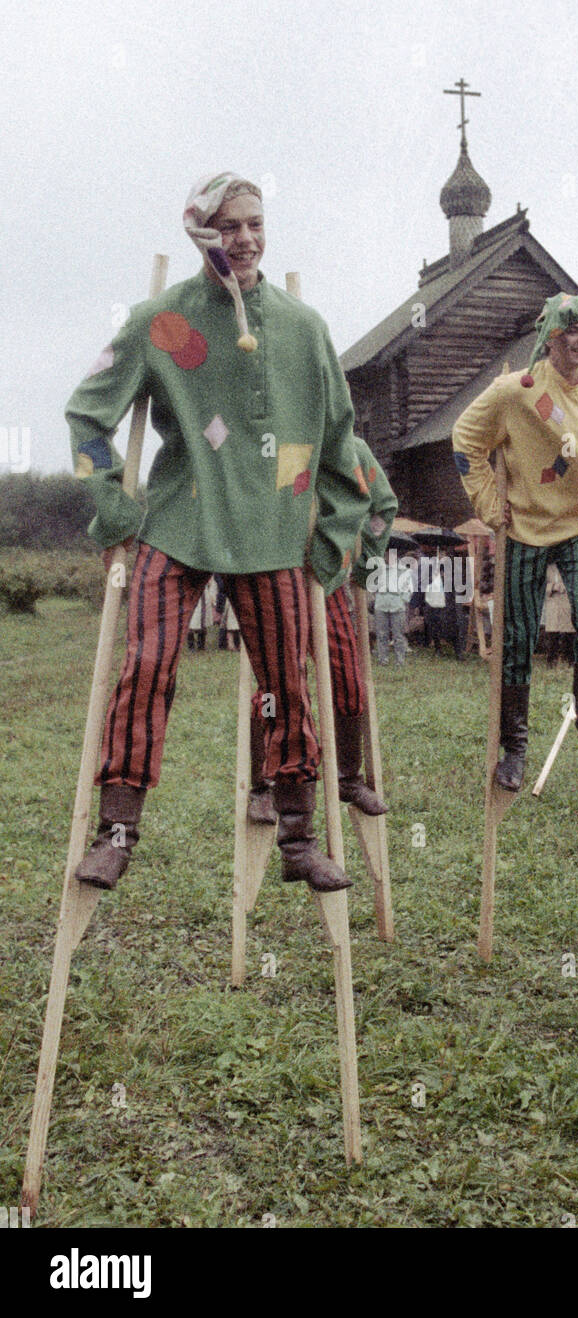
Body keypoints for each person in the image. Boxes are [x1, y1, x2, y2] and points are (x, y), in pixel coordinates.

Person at [66, 171, 371, 893]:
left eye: (255, 224)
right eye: (229, 227)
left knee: (285, 687)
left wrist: (332, 539)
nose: (245, 239)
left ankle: (298, 833)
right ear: (201, 232)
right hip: (177, 521)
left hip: (272, 530)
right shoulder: (158, 320)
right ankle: (117, 829)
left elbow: (340, 446)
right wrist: (113, 510)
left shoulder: (304, 327)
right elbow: (87, 414)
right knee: (145, 667)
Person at [452, 292, 578, 789]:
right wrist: (491, 506)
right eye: (572, 331)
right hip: (526, 527)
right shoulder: (515, 391)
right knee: (516, 634)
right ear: (551, 337)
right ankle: (514, 749)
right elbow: (466, 440)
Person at [248, 434, 398, 820]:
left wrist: (363, 564)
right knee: (276, 688)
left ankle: (348, 777)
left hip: (328, 581)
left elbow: (382, 506)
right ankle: (264, 785)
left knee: (349, 681)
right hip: (275, 579)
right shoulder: (271, 441)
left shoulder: (353, 449)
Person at [543, 563, 575, 668]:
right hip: (552, 603)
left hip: (567, 603)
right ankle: (551, 662)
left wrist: (565, 586)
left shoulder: (570, 565)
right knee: (552, 635)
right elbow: (540, 585)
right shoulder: (547, 568)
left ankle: (570, 661)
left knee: (569, 634)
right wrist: (552, 587)